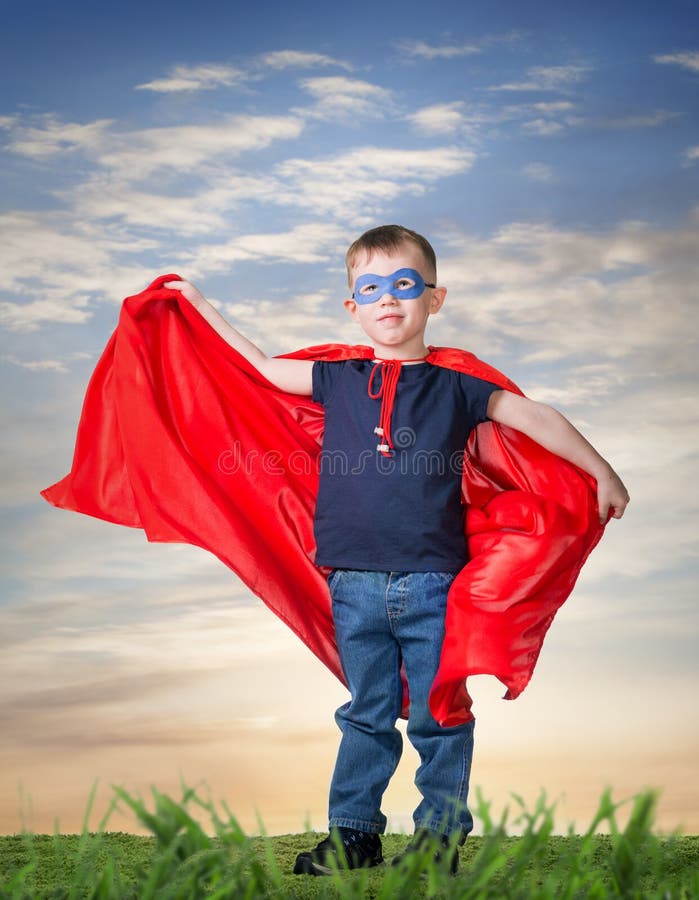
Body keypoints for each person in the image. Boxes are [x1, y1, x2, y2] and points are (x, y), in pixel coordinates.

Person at [162, 224, 629, 877]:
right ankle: (353, 836)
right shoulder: (336, 378)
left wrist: (601, 471)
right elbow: (259, 368)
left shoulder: (456, 386)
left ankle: (437, 840)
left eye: (404, 285)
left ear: (433, 299)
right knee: (366, 713)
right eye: (371, 289)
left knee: (439, 714)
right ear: (352, 305)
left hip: (433, 581)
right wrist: (195, 305)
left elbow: (537, 417)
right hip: (352, 583)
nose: (387, 299)